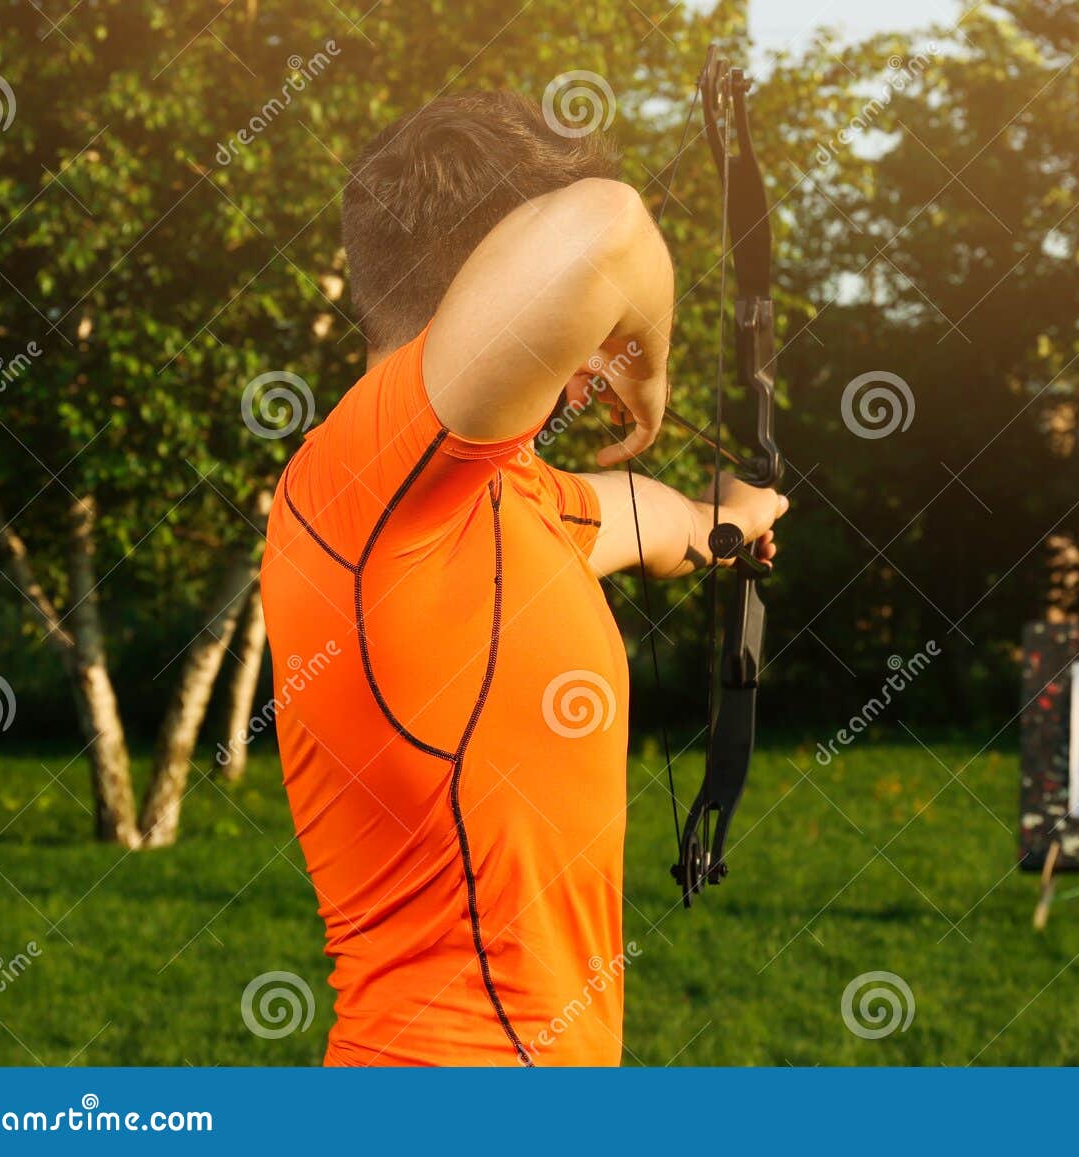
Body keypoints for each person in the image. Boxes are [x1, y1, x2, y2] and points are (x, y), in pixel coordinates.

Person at [258, 91, 788, 1067]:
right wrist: (646, 365)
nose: (586, 372)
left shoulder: (487, 500)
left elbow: (633, 516)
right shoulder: (364, 475)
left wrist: (728, 520)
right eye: (586, 334)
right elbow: (610, 225)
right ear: (491, 278)